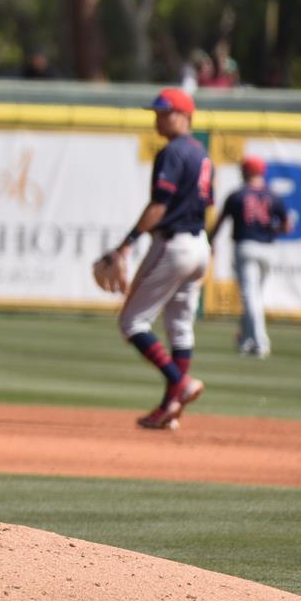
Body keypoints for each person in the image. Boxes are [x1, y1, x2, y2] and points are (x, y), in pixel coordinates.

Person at [95, 87, 212, 430]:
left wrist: (126, 244)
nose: (158, 119)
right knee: (179, 326)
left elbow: (159, 205)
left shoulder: (172, 152)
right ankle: (169, 410)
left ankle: (180, 382)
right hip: (200, 246)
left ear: (185, 115)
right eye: (157, 113)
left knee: (131, 322)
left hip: (174, 244)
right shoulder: (202, 154)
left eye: (165, 113)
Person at [207, 155, 289, 358]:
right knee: (255, 298)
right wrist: (271, 231)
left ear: (246, 172)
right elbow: (287, 226)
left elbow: (219, 224)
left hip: (245, 246)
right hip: (267, 248)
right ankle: (246, 340)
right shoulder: (274, 196)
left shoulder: (237, 195)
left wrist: (209, 242)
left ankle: (260, 342)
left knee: (251, 297)